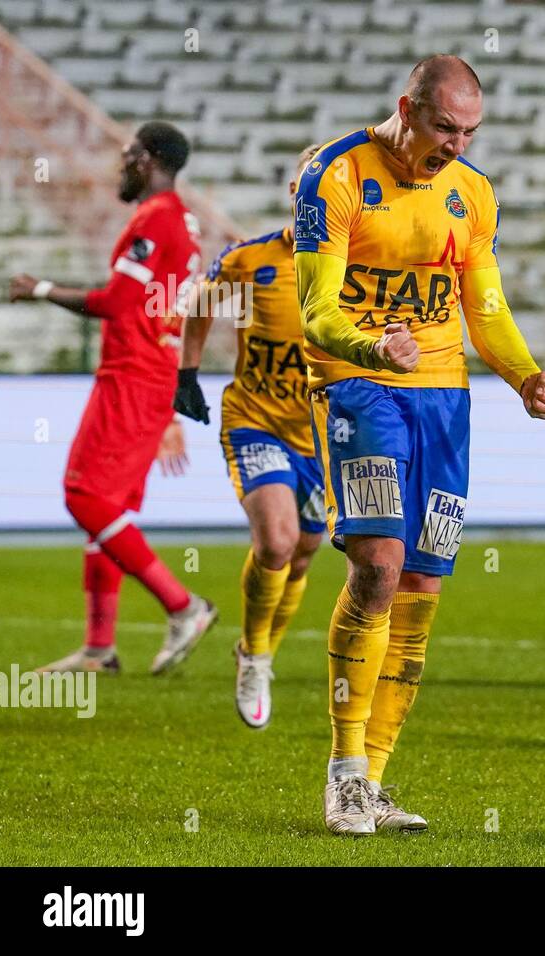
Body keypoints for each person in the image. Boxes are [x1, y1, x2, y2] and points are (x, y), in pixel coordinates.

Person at [294, 55, 545, 834]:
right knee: (378, 566)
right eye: (445, 127)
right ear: (406, 107)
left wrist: (523, 375)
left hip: (444, 400)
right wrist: (375, 347)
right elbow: (316, 314)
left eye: (470, 131)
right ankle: (344, 775)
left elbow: (485, 309)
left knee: (420, 588)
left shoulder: (472, 194)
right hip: (358, 386)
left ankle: (375, 780)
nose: (456, 143)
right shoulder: (335, 177)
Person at [9, 121, 217, 675]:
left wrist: (41, 290)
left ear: (146, 158)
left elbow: (117, 303)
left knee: (84, 496)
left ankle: (183, 605)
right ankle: (100, 648)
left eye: (128, 154)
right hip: (152, 374)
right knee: (112, 510)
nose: (121, 164)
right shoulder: (181, 220)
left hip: (132, 375)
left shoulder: (155, 220)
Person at [175, 145, 325, 728]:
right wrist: (187, 374)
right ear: (294, 191)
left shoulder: (362, 269)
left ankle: (258, 651)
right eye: (307, 187)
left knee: (305, 555)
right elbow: (199, 305)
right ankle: (255, 655)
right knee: (277, 544)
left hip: (326, 436)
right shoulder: (251, 260)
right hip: (256, 420)